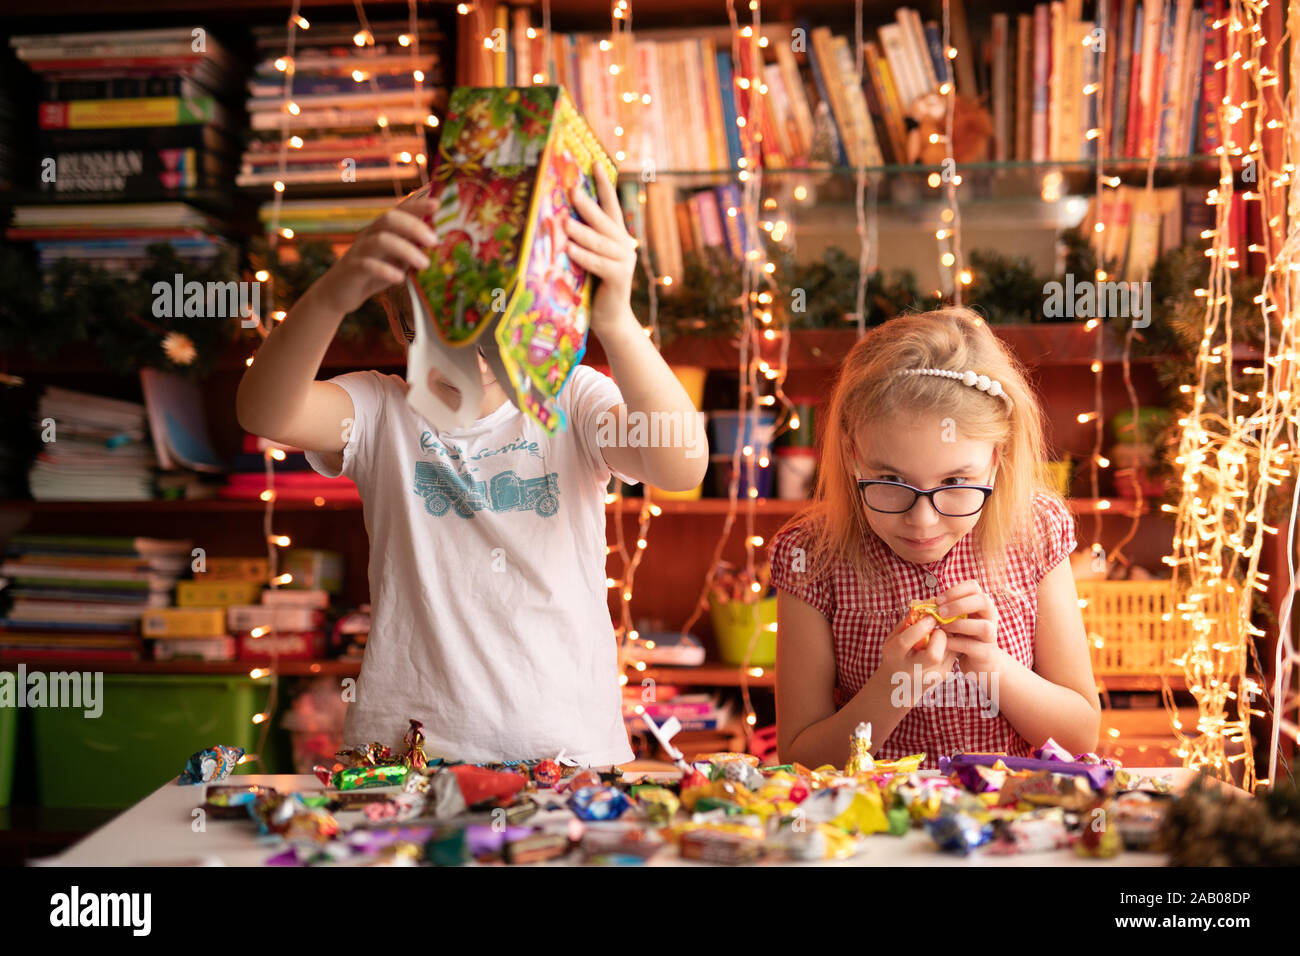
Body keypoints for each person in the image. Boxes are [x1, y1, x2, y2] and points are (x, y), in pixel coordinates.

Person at [236, 163, 707, 765]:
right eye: (445, 302)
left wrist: (616, 318)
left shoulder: (572, 397)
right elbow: (263, 411)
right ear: (402, 317)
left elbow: (681, 464)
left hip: (568, 757)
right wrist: (331, 294)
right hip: (404, 758)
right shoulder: (382, 409)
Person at [769, 308, 1100, 770]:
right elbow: (800, 760)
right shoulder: (812, 555)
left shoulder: (1035, 531)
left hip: (1013, 817)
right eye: (890, 479)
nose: (922, 522)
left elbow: (1081, 735)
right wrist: (892, 688)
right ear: (851, 454)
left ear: (996, 458)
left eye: (955, 482)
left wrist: (992, 668)